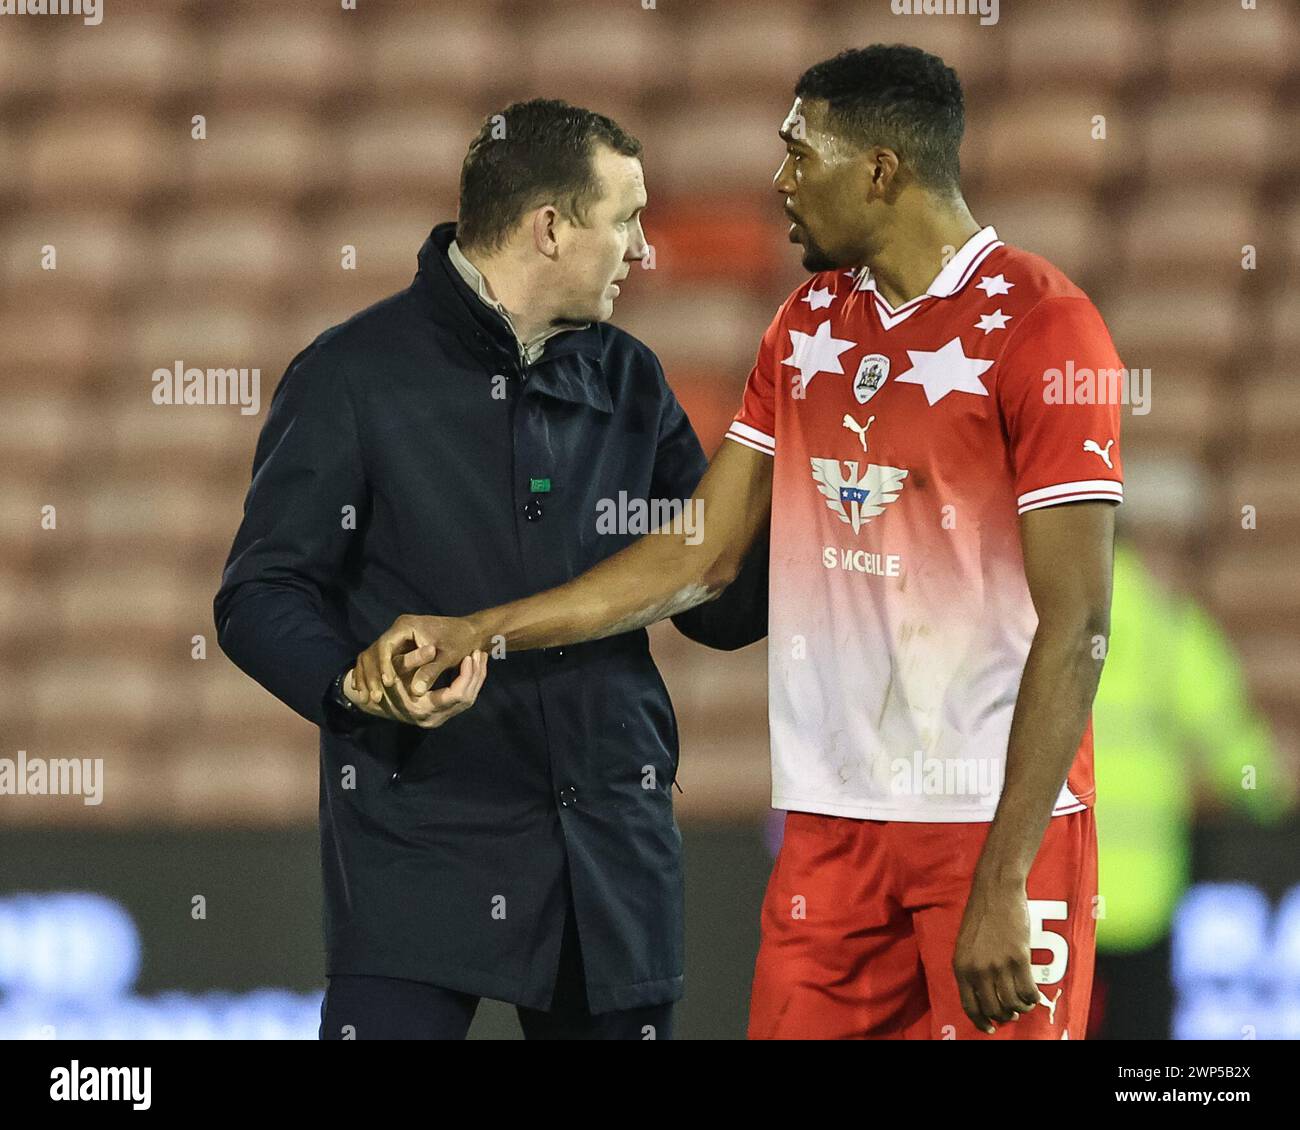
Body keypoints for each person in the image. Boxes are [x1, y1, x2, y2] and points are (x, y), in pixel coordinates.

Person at [356, 45, 1126, 1040]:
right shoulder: (805, 323)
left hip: (989, 824)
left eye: (800, 153)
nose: (780, 180)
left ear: (881, 170)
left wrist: (1005, 873)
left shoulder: (1045, 328)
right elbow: (698, 553)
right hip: (830, 830)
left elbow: (1079, 623)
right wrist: (482, 630)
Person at [214, 98, 766, 1040]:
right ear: (551, 228)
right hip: (422, 847)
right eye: (626, 219)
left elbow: (710, 600)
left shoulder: (629, 376)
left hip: (610, 860)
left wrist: (804, 528)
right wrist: (351, 685)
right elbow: (259, 594)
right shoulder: (352, 374)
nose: (643, 249)